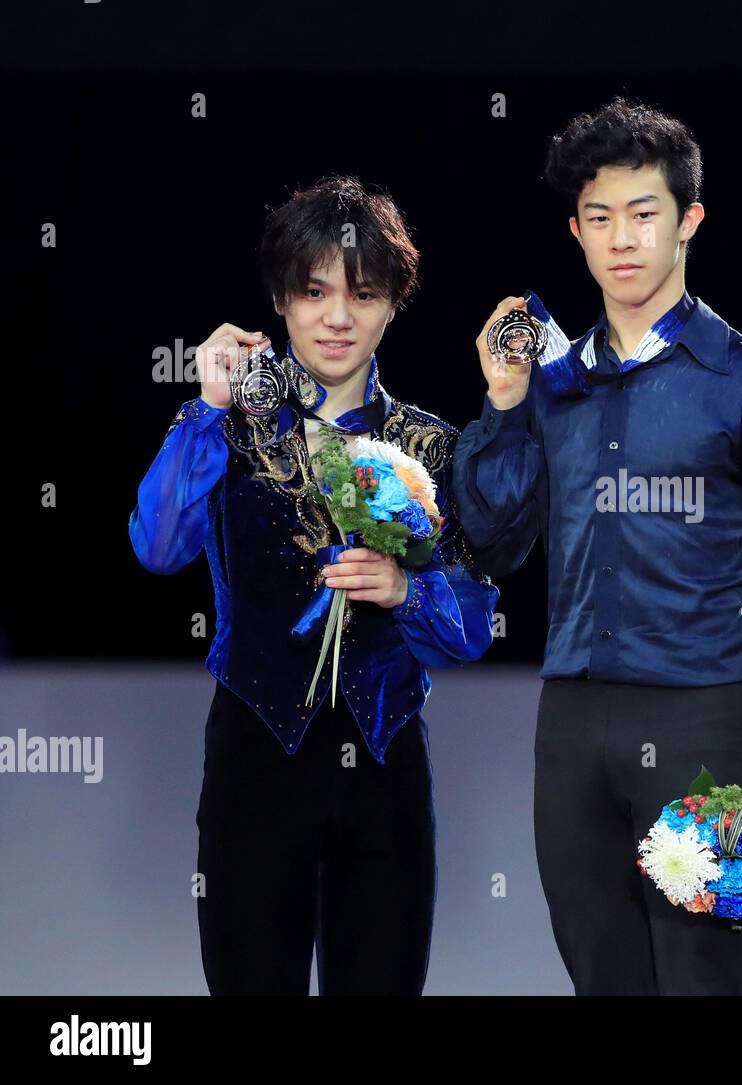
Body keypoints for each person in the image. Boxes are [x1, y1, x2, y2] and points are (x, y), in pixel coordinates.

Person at [452, 98, 742, 995]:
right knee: (602, 982)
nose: (621, 239)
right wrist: (504, 403)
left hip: (699, 718)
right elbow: (494, 541)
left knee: (706, 981)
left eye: (643, 214)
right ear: (577, 232)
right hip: (571, 729)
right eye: (599, 219)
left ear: (688, 221)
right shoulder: (550, 386)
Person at [128, 175, 498, 995]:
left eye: (363, 294)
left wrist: (407, 591)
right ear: (281, 299)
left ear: (394, 301)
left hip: (386, 773)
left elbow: (473, 627)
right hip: (254, 766)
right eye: (315, 291)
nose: (338, 317)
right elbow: (157, 547)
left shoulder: (428, 446)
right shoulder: (231, 426)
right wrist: (203, 405)